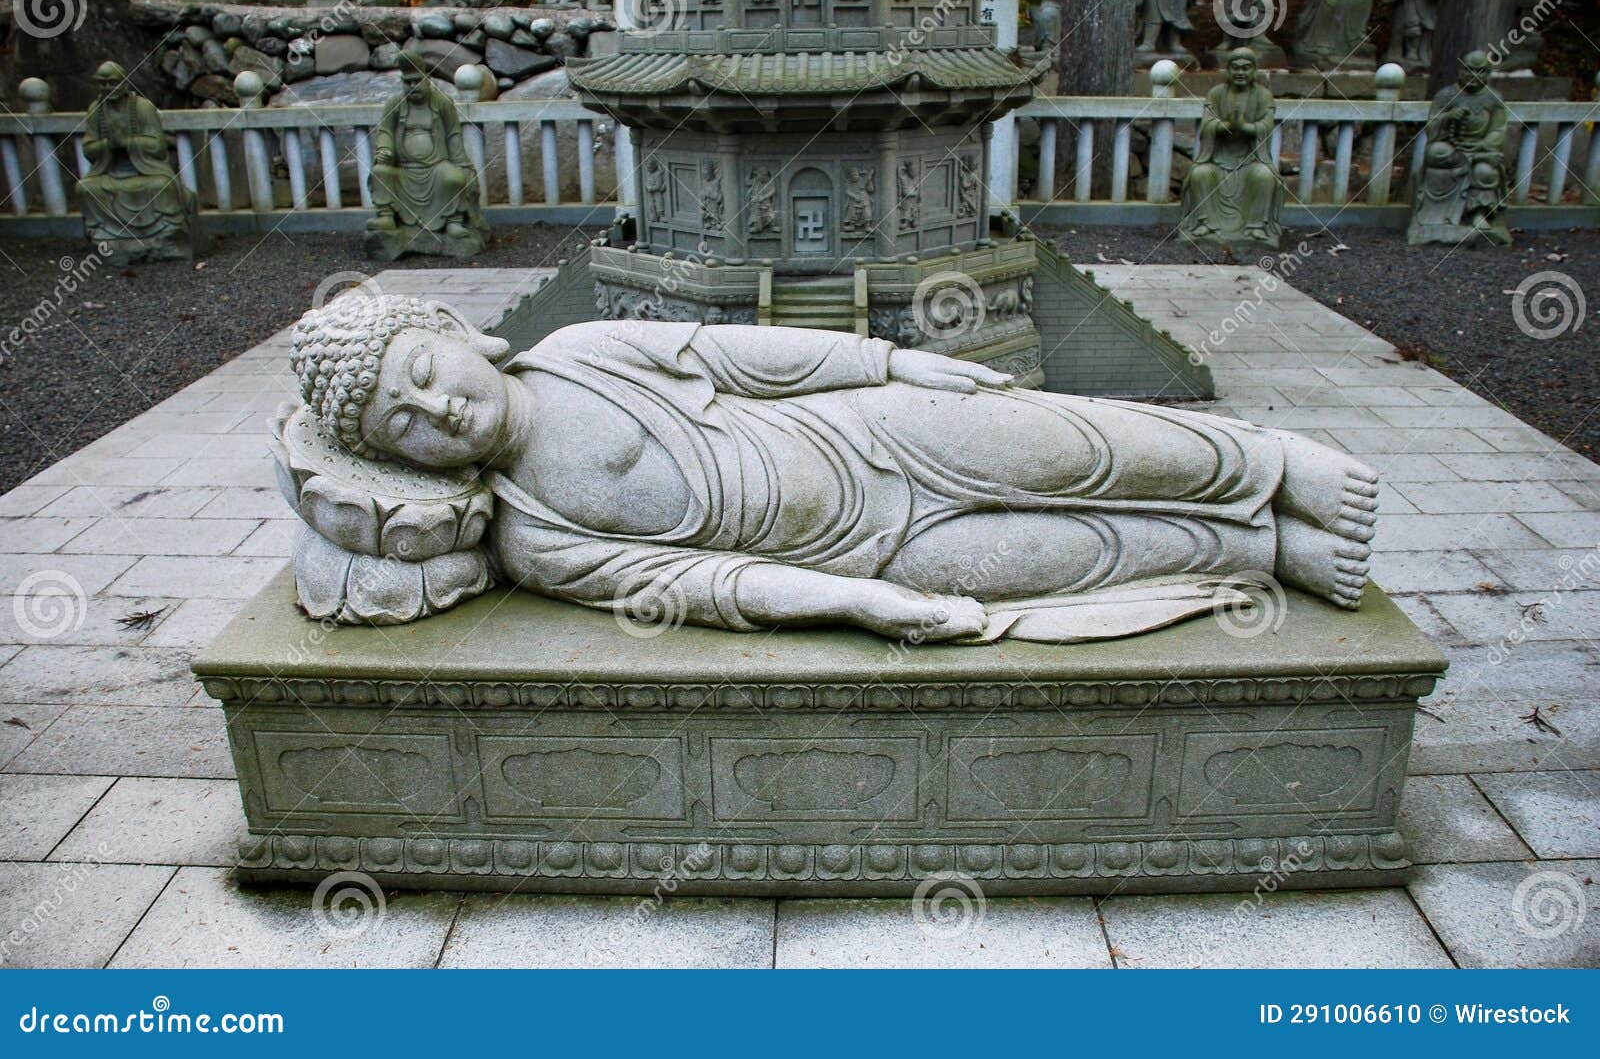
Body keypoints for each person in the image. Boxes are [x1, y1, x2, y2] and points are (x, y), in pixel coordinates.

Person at [284, 293, 1380, 641]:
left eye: (422, 371)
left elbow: (743, 356)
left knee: (1079, 446)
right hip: (869, 550)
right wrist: (858, 602)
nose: (437, 409)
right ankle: (1257, 544)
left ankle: (1268, 463)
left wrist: (893, 361)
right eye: (403, 425)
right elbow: (705, 586)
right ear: (408, 462)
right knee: (1080, 553)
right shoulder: (533, 538)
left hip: (869, 433)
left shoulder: (579, 351)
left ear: (459, 334)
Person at [366, 51, 488, 259]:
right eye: (408, 82)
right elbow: (385, 132)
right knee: (380, 172)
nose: (413, 87)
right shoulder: (395, 104)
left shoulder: (442, 103)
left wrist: (462, 165)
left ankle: (453, 221)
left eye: (417, 81)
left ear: (427, 80)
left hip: (436, 166)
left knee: (454, 178)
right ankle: (387, 216)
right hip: (403, 169)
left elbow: (453, 135)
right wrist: (385, 150)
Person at [76, 62, 195, 259]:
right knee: (85, 189)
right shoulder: (96, 110)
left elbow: (158, 145)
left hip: (145, 170)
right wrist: (108, 145)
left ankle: (168, 235)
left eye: (113, 82)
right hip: (111, 170)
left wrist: (128, 142)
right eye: (103, 84)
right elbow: (88, 148)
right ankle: (107, 238)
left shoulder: (142, 107)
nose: (108, 88)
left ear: (124, 83)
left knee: (163, 186)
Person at [1179, 48, 1284, 249]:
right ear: (1228, 70)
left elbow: (1266, 126)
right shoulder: (1216, 94)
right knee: (1200, 174)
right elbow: (1207, 125)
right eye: (1235, 68)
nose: (1240, 73)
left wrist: (1245, 127)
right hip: (1218, 160)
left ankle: (1255, 226)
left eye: (1246, 68)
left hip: (1249, 160)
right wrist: (1226, 125)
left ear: (1254, 70)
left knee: (1264, 176)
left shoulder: (1263, 95)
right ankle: (1206, 223)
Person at [1407, 51, 1510, 246]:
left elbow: (1498, 130)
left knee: (1485, 171)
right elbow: (1432, 125)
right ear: (1460, 71)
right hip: (1452, 147)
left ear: (1488, 74)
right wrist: (1448, 117)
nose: (1474, 75)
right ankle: (1435, 215)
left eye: (1480, 71)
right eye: (1469, 70)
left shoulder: (1494, 99)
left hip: (1481, 149)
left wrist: (1481, 145)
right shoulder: (1446, 95)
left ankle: (1478, 213)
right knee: (1436, 152)